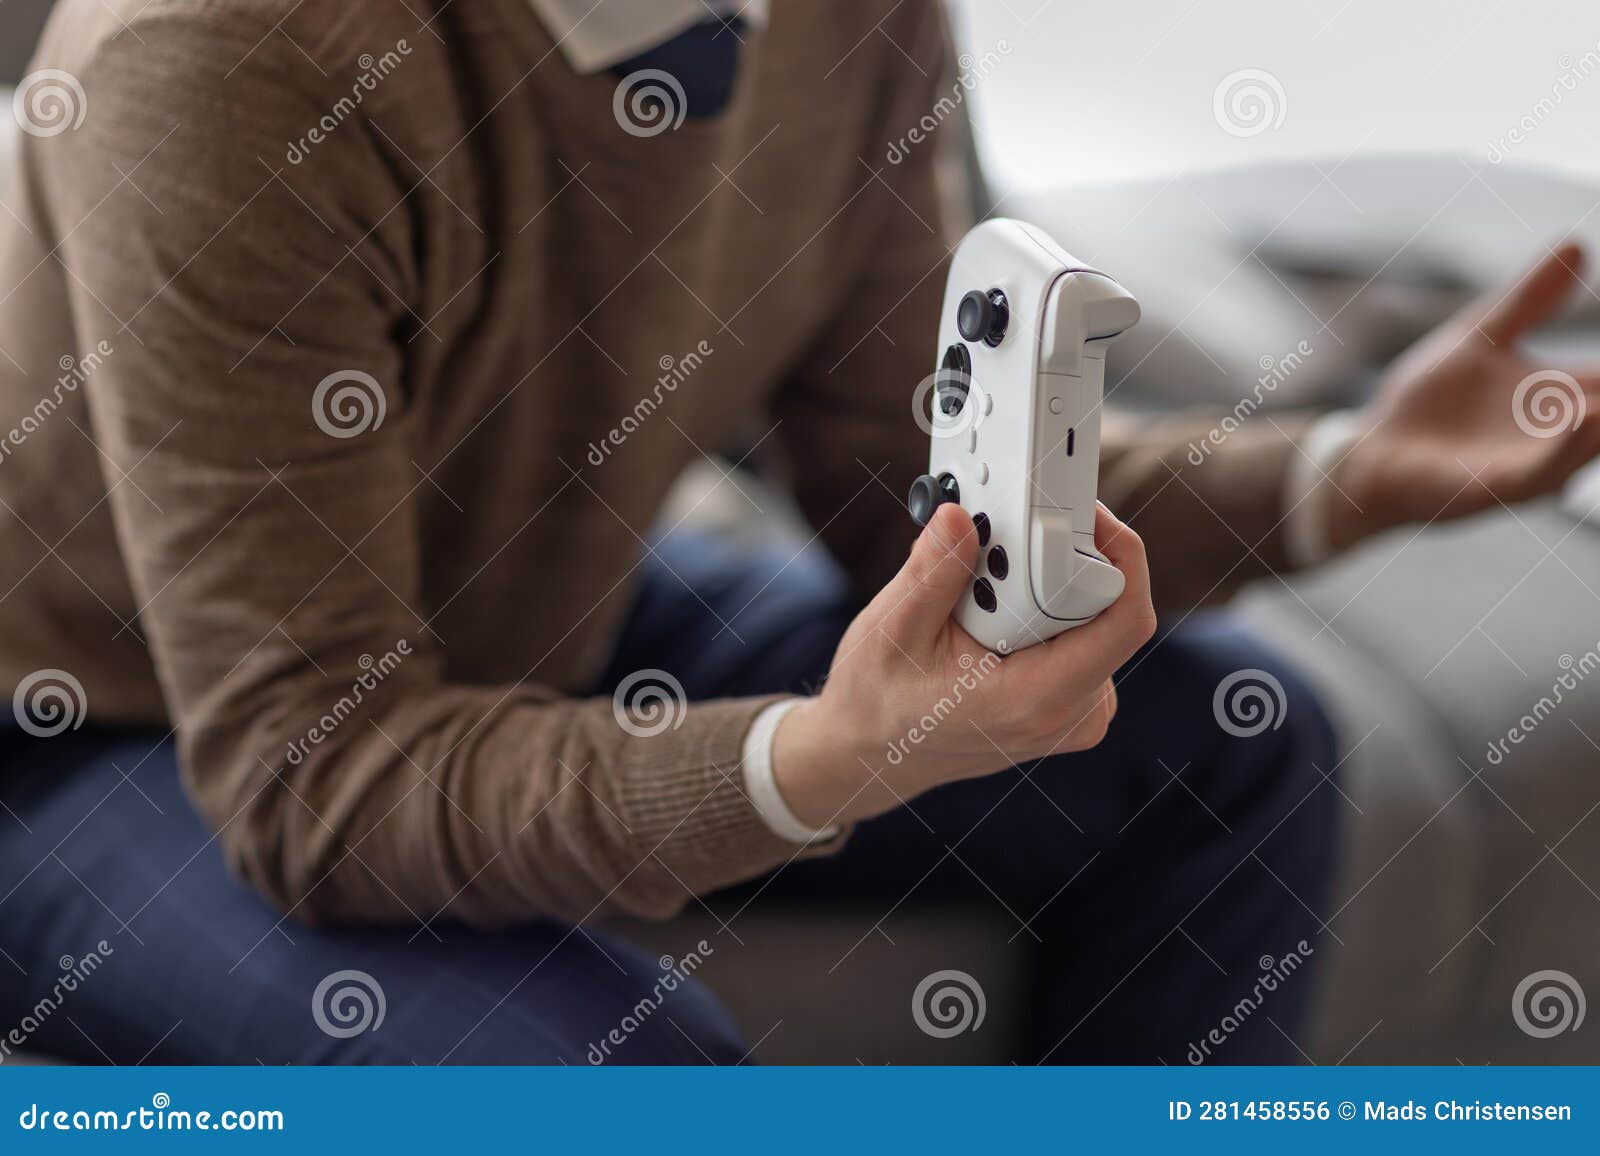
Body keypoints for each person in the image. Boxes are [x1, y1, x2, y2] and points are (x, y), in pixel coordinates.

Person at [0, 0, 1596, 1065]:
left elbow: (898, 461)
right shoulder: (226, 58)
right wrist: (817, 758)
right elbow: (316, 779)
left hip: (529, 596)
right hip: (112, 718)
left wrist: (1343, 473)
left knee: (1236, 743)